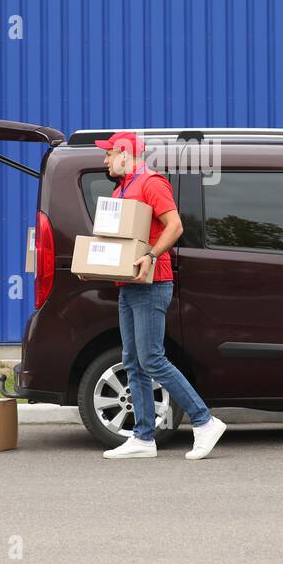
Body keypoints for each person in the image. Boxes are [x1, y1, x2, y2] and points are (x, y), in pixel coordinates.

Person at [93, 131, 226, 460]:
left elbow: (175, 226)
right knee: (132, 361)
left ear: (125, 153)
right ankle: (143, 437)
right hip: (129, 284)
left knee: (151, 358)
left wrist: (150, 255)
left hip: (152, 283)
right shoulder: (122, 188)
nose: (105, 160)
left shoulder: (151, 183)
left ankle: (205, 421)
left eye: (109, 154)